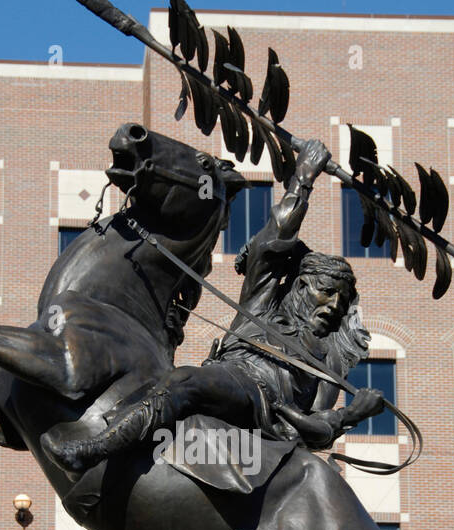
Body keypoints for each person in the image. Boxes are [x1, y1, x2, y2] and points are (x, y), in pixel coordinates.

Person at [41, 139, 384, 475]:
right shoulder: (262, 306)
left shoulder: (329, 357)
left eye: (341, 299)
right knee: (173, 378)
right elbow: (275, 235)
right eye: (326, 291)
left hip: (260, 412)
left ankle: (94, 450)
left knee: (187, 381)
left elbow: (316, 432)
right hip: (230, 381)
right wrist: (303, 179)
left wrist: (351, 415)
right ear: (300, 287)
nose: (335, 304)